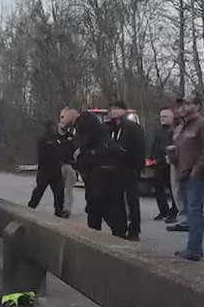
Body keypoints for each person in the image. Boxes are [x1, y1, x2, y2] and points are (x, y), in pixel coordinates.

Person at [169, 96, 204, 262]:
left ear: (198, 106)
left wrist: (197, 170)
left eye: (189, 104)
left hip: (196, 175)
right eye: (182, 104)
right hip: (183, 173)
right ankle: (191, 247)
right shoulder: (182, 126)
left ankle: (195, 249)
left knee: (194, 210)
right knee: (188, 211)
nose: (184, 107)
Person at [70, 106, 127, 238]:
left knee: (109, 223)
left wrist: (83, 157)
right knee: (102, 222)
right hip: (99, 187)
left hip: (104, 187)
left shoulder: (101, 144)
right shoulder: (101, 140)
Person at [106, 101, 146, 241]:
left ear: (124, 110)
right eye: (112, 109)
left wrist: (137, 167)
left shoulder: (132, 128)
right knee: (116, 200)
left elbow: (140, 148)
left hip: (129, 167)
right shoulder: (110, 128)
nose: (114, 112)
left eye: (117, 109)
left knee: (131, 199)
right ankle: (120, 227)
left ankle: (134, 229)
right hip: (114, 168)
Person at [28, 119, 71, 218]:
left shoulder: (57, 138)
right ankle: (31, 207)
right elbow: (41, 154)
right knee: (39, 190)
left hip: (56, 170)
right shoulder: (43, 139)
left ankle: (59, 210)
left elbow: (62, 150)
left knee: (59, 191)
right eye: (53, 126)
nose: (55, 128)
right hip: (45, 170)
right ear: (48, 127)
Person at [149, 106, 180, 224]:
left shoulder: (176, 130)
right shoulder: (158, 131)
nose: (163, 119)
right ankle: (163, 210)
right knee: (158, 187)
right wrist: (151, 157)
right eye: (161, 116)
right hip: (159, 162)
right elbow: (154, 144)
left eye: (166, 116)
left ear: (172, 117)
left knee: (173, 189)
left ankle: (174, 211)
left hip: (171, 163)